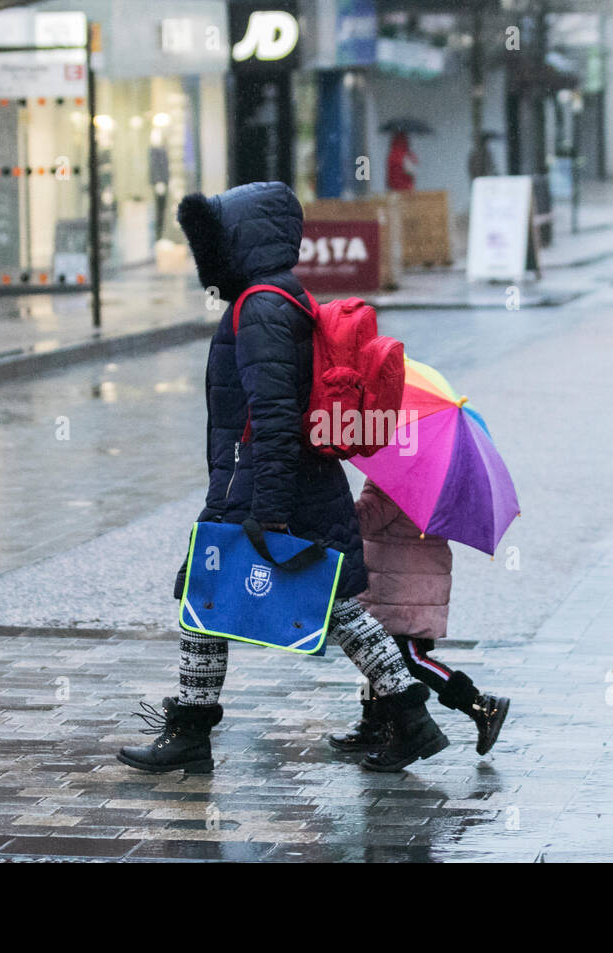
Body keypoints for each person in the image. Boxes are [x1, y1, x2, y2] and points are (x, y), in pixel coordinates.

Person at [117, 181, 449, 776]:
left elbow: (271, 417)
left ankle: (195, 731)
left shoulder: (260, 307)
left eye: (218, 240)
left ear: (243, 240)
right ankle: (410, 718)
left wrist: (264, 510)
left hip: (270, 486)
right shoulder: (279, 299)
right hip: (284, 482)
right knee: (290, 600)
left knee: (227, 594)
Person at [329, 479, 510, 757]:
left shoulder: (395, 479)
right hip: (408, 578)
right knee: (379, 654)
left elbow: (364, 519)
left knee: (406, 658)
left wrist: (330, 507)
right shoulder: (431, 473)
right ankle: (374, 724)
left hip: (402, 587)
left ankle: (480, 705)